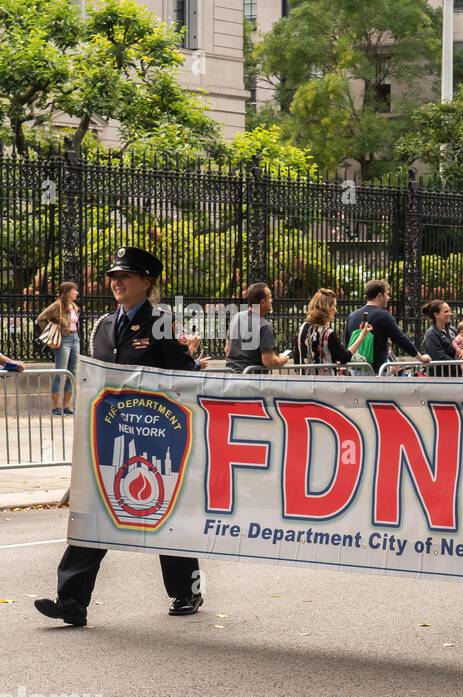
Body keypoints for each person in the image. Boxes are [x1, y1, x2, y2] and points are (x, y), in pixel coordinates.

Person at [34, 246, 207, 628]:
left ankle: (187, 589)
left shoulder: (162, 321)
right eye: (114, 276)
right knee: (95, 514)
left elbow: (182, 378)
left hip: (157, 437)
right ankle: (72, 601)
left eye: (125, 276)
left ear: (147, 282)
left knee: (166, 516)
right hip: (111, 438)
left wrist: (192, 361)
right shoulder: (103, 326)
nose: (116, 282)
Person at [344, 279, 431, 373]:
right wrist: (420, 358)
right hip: (376, 372)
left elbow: (347, 343)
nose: (388, 298)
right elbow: (401, 339)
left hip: (354, 371)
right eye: (387, 294)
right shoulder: (383, 315)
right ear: (380, 295)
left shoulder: (352, 316)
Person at [36, 281, 80, 415]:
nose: (77, 292)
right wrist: (53, 330)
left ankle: (66, 406)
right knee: (60, 372)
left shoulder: (74, 306)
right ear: (67, 292)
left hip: (75, 339)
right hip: (64, 340)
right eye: (74, 290)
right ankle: (56, 407)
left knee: (73, 372)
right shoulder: (57, 305)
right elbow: (40, 318)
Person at [226, 283, 290, 373]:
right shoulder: (264, 326)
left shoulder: (236, 317)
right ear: (263, 303)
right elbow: (269, 361)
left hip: (230, 377)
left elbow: (227, 349)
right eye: (270, 298)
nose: (272, 300)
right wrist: (282, 359)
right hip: (252, 380)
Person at [294, 288, 354, 367]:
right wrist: (361, 336)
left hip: (304, 379)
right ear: (326, 308)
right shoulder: (328, 334)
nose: (335, 310)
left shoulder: (301, 328)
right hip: (325, 379)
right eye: (334, 306)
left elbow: (297, 359)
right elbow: (344, 357)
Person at [420, 299, 458, 369]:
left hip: (456, 376)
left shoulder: (453, 330)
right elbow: (439, 357)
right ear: (436, 315)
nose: (450, 314)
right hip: (440, 377)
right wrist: (458, 364)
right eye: (446, 311)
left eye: (449, 310)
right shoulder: (431, 334)